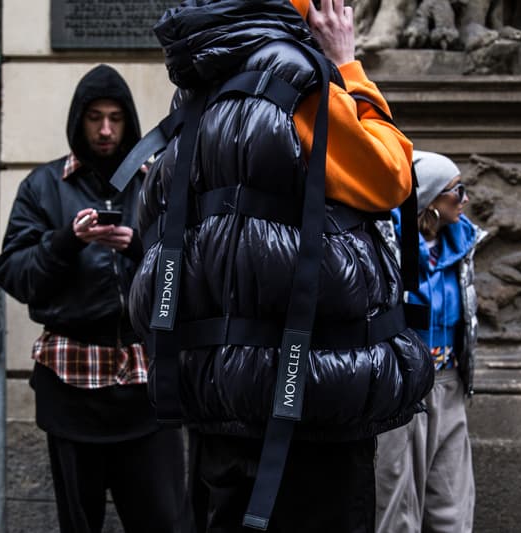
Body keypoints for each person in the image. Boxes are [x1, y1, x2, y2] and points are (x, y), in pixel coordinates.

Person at [128, 1, 434, 532]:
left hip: (219, 391)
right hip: (308, 398)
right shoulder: (296, 75)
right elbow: (390, 177)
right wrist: (346, 64)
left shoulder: (202, 83)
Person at [0, 65, 186, 533]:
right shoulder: (42, 187)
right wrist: (65, 242)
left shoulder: (158, 181)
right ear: (78, 120)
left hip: (147, 385)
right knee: (80, 524)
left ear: (129, 122)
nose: (104, 130)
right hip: (69, 384)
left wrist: (140, 248)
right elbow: (14, 275)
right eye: (94, 117)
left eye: (115, 118)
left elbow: (192, 274)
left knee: (166, 520)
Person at [374, 150, 487, 533]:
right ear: (431, 198)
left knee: (452, 504)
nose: (466, 200)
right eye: (458, 190)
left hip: (449, 383)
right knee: (397, 505)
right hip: (402, 390)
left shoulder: (462, 244)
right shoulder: (386, 246)